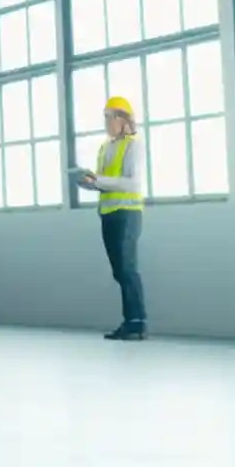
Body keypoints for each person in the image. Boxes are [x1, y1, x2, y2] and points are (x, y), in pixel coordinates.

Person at [78, 96, 147, 341]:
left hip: (127, 214)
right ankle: (129, 321)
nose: (106, 121)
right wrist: (90, 183)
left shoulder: (133, 145)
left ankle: (137, 323)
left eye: (110, 116)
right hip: (108, 214)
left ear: (123, 119)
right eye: (105, 116)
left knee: (127, 269)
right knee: (119, 271)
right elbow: (105, 181)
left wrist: (98, 181)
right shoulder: (105, 147)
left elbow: (132, 181)